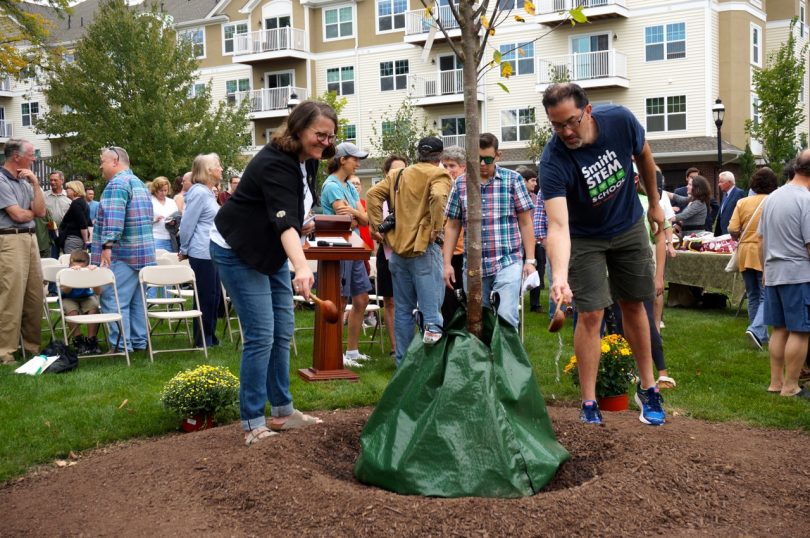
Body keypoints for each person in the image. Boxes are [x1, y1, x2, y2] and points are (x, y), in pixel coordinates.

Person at [539, 82, 665, 426]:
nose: (566, 131)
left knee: (634, 304)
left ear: (588, 111)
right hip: (584, 238)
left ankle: (648, 388)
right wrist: (559, 277)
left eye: (572, 121)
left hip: (627, 225)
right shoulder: (553, 160)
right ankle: (589, 402)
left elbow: (644, 154)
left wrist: (655, 203)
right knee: (591, 313)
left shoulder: (620, 120)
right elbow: (558, 225)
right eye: (557, 125)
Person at [210, 100, 329, 445]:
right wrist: (302, 266)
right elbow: (283, 221)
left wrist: (301, 223)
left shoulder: (308, 160)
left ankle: (282, 411)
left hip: (270, 249)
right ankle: (252, 421)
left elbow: (290, 213)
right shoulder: (275, 162)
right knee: (261, 334)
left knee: (283, 329)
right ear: (298, 129)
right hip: (237, 249)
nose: (325, 142)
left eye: (330, 136)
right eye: (320, 134)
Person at [366, 137, 451, 366]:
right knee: (431, 313)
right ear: (439, 156)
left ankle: (403, 366)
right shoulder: (439, 175)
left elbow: (372, 194)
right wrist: (436, 228)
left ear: (418, 153)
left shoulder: (399, 174)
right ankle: (430, 367)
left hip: (398, 253)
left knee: (403, 312)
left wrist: (377, 227)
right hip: (424, 251)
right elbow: (439, 197)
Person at [443, 133, 537, 328]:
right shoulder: (461, 184)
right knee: (478, 322)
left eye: (487, 159)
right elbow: (452, 226)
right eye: (477, 159)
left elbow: (526, 222)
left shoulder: (513, 180)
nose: (482, 164)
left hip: (507, 260)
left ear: (498, 155)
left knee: (505, 316)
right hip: (474, 266)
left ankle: (507, 348)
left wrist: (530, 261)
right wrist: (446, 263)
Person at [91, 146, 155, 352]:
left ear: (115, 161)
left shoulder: (116, 184)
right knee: (137, 301)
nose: (100, 166)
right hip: (144, 254)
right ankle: (139, 342)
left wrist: (107, 246)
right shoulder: (139, 183)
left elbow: (114, 218)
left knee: (114, 298)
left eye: (102, 161)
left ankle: (121, 346)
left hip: (123, 253)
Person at [758, 149, 810, 399]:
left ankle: (775, 382)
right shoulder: (806, 199)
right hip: (798, 274)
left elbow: (761, 240)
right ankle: (791, 386)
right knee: (800, 330)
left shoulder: (772, 197)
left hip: (773, 272)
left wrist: (764, 271)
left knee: (779, 329)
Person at [321, 142, 373, 367]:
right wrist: (355, 215)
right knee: (340, 300)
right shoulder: (332, 186)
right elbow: (346, 221)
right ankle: (335, 352)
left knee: (361, 299)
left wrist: (353, 213)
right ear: (342, 160)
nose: (358, 164)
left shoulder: (349, 186)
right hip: (339, 247)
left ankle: (352, 352)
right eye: (355, 159)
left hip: (354, 245)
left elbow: (364, 219)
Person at [0, 139, 45, 364]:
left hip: (30, 238)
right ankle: (5, 351)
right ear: (16, 157)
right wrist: (30, 213)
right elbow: (18, 215)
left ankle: (31, 347)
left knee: (35, 296)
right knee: (11, 296)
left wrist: (36, 185)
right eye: (31, 155)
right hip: (10, 240)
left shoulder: (26, 181)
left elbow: (41, 211)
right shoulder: (1, 180)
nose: (34, 159)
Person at [728, 167, 778, 351]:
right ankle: (756, 330)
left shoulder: (742, 202)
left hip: (745, 251)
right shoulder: (774, 201)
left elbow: (732, 228)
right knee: (766, 295)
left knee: (753, 295)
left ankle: (759, 335)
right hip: (764, 251)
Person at [179, 154, 222, 348]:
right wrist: (184, 248)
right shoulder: (199, 192)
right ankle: (202, 339)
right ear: (208, 171)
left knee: (214, 295)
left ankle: (210, 335)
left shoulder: (208, 192)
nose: (221, 169)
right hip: (201, 251)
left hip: (212, 251)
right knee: (206, 296)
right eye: (218, 165)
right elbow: (187, 223)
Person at [375, 154, 408, 358]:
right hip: (386, 254)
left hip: (409, 253)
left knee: (409, 301)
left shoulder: (411, 195)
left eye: (403, 170)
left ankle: (411, 345)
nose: (398, 174)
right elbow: (375, 229)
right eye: (394, 170)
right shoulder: (379, 197)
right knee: (391, 301)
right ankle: (396, 347)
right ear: (386, 173)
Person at [439, 145, 466, 324]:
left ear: (464, 167)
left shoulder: (467, 187)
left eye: (452, 166)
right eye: (445, 166)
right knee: (448, 300)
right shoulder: (441, 188)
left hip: (466, 251)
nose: (448, 170)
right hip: (446, 252)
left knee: (464, 297)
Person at [61, 249, 102, 355]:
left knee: (94, 307)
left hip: (86, 296)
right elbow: (65, 291)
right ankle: (78, 340)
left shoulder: (89, 271)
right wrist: (73, 275)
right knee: (72, 311)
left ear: (87, 264)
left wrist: (93, 275)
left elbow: (98, 292)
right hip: (68, 297)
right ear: (70, 263)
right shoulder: (66, 272)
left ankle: (91, 339)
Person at [517, 165, 545, 313]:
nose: (535, 183)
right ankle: (516, 301)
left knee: (537, 271)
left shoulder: (535, 198)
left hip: (535, 241)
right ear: (524, 181)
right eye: (532, 180)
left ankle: (535, 304)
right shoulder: (515, 196)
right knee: (517, 272)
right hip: (519, 241)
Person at [59, 180, 91, 254]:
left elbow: (83, 224)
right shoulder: (83, 202)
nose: (66, 190)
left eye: (68, 188)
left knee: (72, 259)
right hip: (78, 239)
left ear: (75, 190)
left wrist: (86, 241)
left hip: (73, 240)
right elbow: (89, 223)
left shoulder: (76, 204)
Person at [45, 170, 71, 257]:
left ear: (62, 181)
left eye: (55, 180)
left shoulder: (69, 196)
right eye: (51, 180)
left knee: (67, 258)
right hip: (50, 233)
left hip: (66, 232)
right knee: (52, 259)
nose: (52, 182)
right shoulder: (44, 196)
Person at [149, 176, 179, 252]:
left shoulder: (171, 202)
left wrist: (173, 222)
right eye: (161, 190)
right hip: (155, 237)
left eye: (165, 190)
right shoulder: (149, 201)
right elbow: (142, 220)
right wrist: (154, 220)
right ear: (155, 189)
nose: (163, 193)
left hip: (170, 238)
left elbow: (178, 218)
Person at [714, 171, 747, 236]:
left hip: (733, 234)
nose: (719, 184)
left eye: (721, 182)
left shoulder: (739, 193)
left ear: (729, 182)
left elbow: (743, 213)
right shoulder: (725, 195)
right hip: (723, 233)